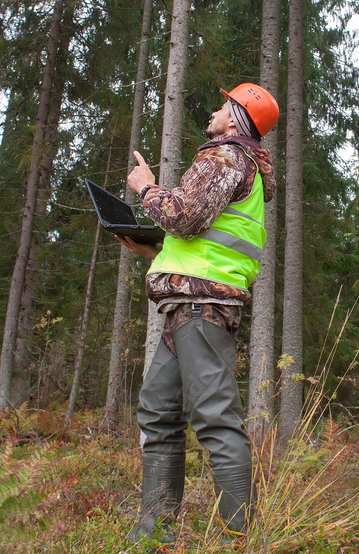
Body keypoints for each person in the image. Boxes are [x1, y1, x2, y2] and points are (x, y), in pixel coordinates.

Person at [117, 83, 279, 543]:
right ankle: (154, 534)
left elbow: (185, 216)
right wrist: (152, 250)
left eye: (223, 105)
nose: (214, 110)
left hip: (201, 308)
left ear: (236, 117)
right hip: (192, 303)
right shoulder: (238, 164)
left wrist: (145, 187)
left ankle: (240, 539)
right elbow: (202, 243)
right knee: (158, 411)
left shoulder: (226, 157)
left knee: (215, 417)